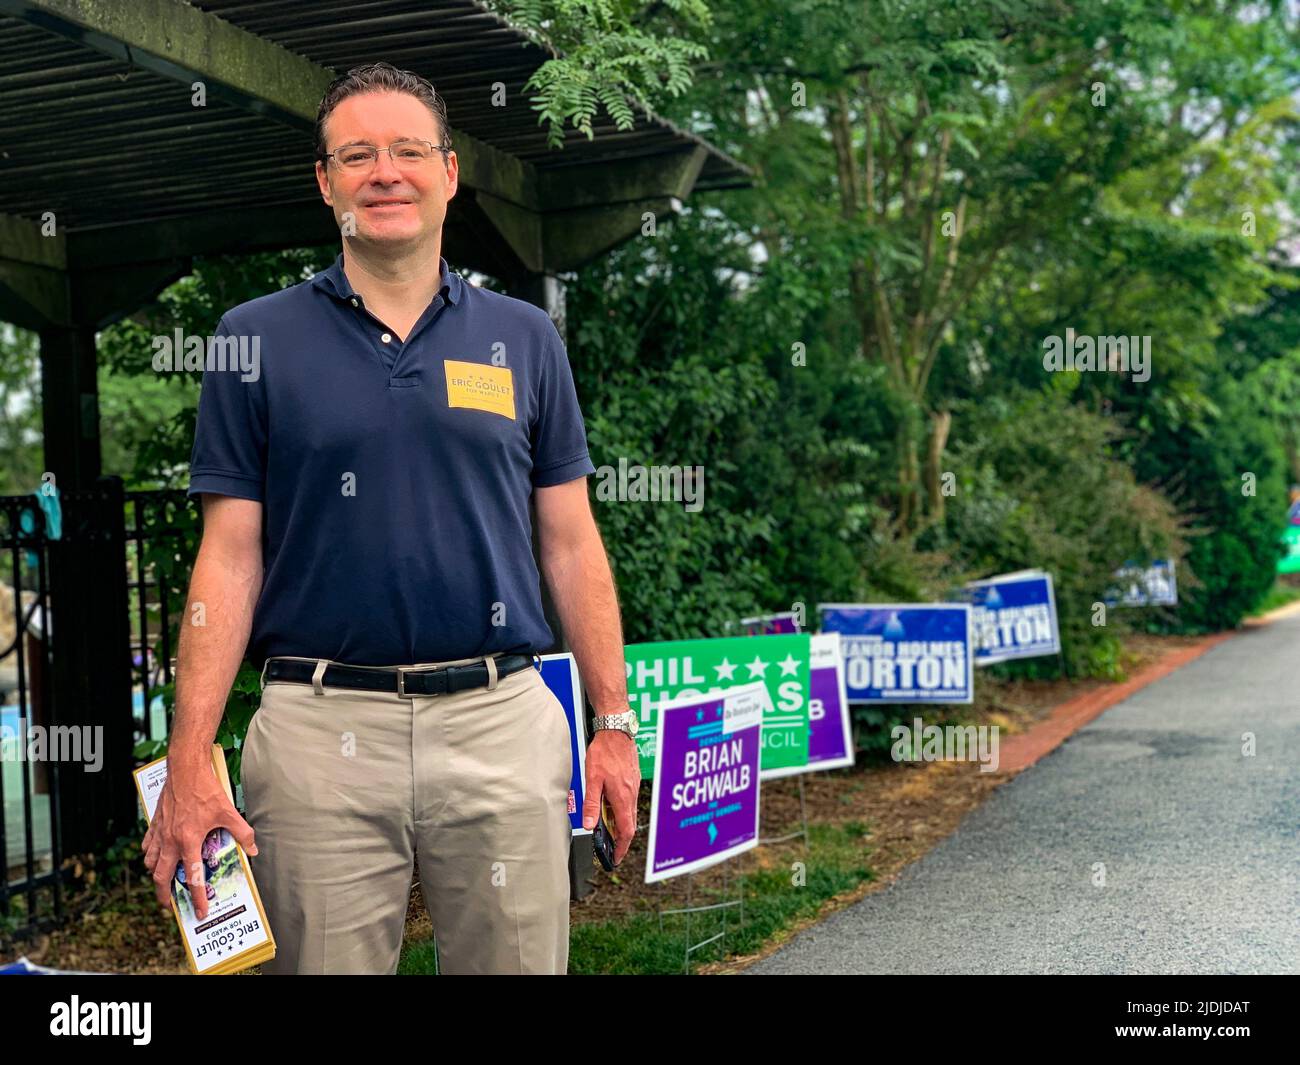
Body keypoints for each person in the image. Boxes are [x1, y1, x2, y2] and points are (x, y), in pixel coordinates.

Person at [140, 61, 641, 974]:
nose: (386, 173)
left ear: (451, 174)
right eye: (358, 155)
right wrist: (188, 758)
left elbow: (570, 543)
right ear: (325, 183)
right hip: (314, 739)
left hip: (500, 723)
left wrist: (613, 722)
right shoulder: (252, 339)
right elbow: (228, 559)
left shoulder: (523, 337)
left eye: (409, 151)